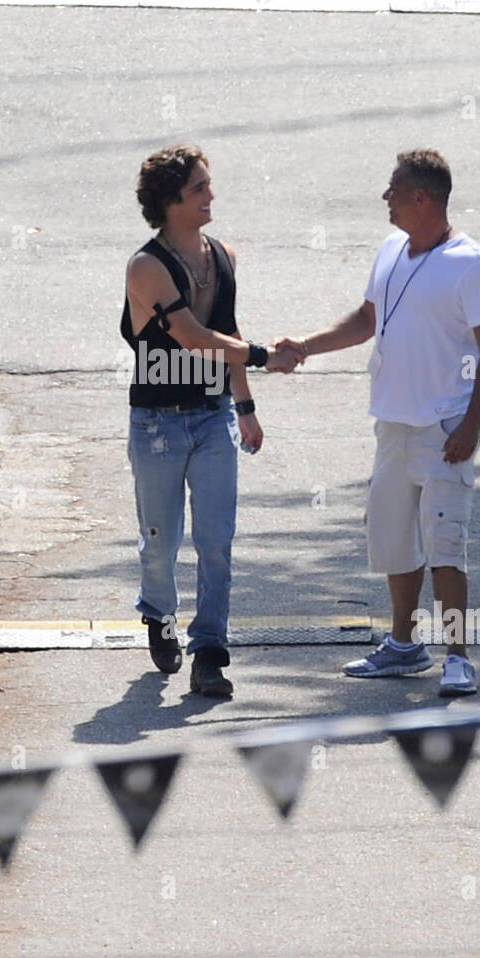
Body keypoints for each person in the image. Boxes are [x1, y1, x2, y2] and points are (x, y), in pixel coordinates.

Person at [282, 149, 480, 696]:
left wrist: (472, 423)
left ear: (422, 198)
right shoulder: (390, 250)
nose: (385, 198)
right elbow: (367, 320)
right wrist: (305, 347)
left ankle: (458, 657)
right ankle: (404, 647)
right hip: (392, 425)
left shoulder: (471, 265)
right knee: (394, 542)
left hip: (445, 430)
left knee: (445, 545)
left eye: (394, 190)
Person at [121, 145, 298, 699]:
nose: (210, 195)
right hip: (157, 423)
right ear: (172, 201)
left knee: (217, 539)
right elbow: (194, 338)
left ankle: (210, 652)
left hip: (212, 416)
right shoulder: (146, 267)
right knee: (160, 540)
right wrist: (267, 357)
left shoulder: (223, 255)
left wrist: (244, 407)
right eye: (199, 188)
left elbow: (226, 336)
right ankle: (158, 614)